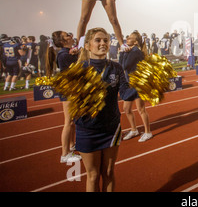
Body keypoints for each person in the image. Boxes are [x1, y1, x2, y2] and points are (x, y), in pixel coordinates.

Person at [75, 27, 138, 192]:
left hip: (111, 128)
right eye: (98, 40)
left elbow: (125, 94)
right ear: (88, 45)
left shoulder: (116, 68)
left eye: (105, 40)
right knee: (93, 175)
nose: (103, 43)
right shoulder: (79, 69)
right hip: (87, 129)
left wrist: (144, 86)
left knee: (109, 171)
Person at [47, 31, 81, 163]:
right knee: (68, 122)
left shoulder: (67, 53)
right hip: (68, 90)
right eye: (67, 36)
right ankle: (65, 154)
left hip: (70, 89)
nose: (71, 36)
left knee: (72, 122)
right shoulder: (64, 55)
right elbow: (75, 71)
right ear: (62, 41)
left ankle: (72, 145)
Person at [120, 31, 153, 142]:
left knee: (141, 109)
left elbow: (124, 66)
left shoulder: (135, 51)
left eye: (130, 38)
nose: (127, 38)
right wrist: (123, 52)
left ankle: (148, 132)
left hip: (138, 84)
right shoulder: (130, 51)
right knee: (126, 108)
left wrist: (124, 53)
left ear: (135, 41)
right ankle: (134, 130)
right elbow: (121, 65)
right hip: (130, 83)